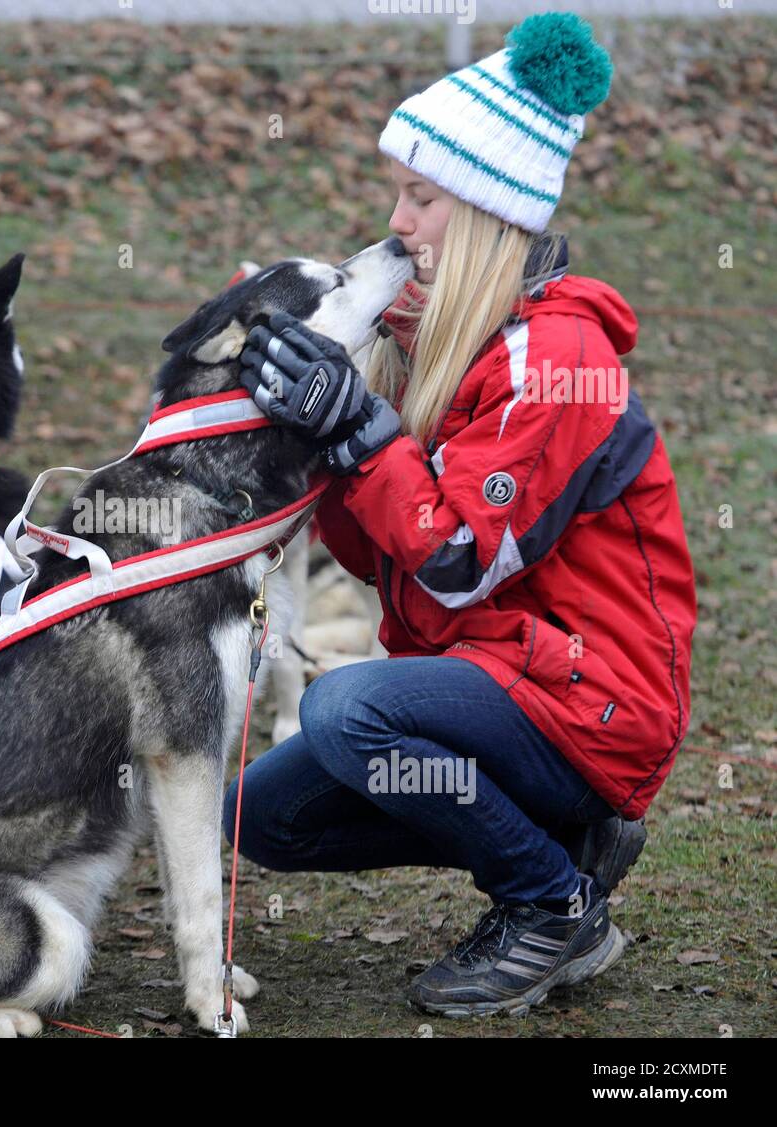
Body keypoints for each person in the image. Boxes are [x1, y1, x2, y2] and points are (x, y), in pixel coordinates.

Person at [227, 13, 696, 1017]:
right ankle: (565, 842)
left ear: (482, 209)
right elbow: (377, 555)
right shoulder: (440, 341)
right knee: (262, 817)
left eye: (421, 197)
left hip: (594, 703)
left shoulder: (558, 357)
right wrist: (318, 431)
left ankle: (550, 905)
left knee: (349, 708)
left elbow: (451, 561)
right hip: (491, 680)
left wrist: (362, 432)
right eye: (399, 193)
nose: (397, 222)